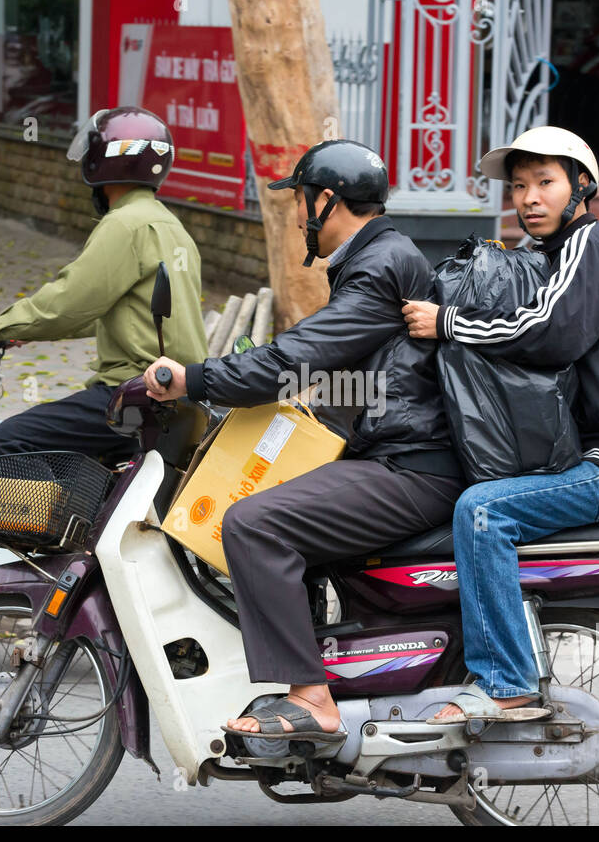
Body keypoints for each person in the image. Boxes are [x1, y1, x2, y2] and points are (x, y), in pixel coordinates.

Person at [143, 139, 465, 740]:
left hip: (412, 467)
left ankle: (311, 698)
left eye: (298, 201)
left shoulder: (378, 267)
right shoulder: (379, 259)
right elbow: (331, 366)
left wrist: (194, 378)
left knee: (252, 523)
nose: (295, 218)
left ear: (325, 199)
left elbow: (299, 353)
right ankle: (346, 669)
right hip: (400, 453)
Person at [401, 126, 599, 724]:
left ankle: (506, 683)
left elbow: (548, 330)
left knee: (483, 512)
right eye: (519, 186)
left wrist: (448, 322)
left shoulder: (593, 242)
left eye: (546, 183)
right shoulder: (550, 255)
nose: (529, 198)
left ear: (582, 187)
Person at [0, 106, 207, 461]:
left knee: (9, 440)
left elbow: (65, 303)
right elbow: (109, 308)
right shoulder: (173, 228)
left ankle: (23, 517)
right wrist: (22, 331)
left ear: (107, 163)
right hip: (173, 395)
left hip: (134, 393)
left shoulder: (124, 226)